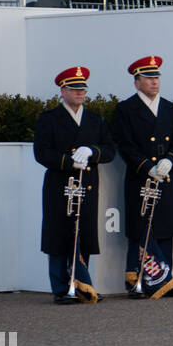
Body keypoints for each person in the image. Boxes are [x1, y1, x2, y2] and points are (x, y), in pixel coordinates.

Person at [33, 66, 115, 304]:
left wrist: (92, 151)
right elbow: (41, 153)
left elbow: (110, 149)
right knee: (58, 235)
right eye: (74, 89)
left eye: (83, 89)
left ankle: (82, 283)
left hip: (87, 184)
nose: (80, 93)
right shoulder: (49, 119)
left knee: (84, 234)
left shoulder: (95, 119)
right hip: (60, 184)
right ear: (63, 91)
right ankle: (60, 287)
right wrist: (69, 162)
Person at [112, 55, 173, 298]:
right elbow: (125, 144)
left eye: (156, 77)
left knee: (165, 228)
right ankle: (137, 282)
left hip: (165, 176)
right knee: (141, 229)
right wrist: (146, 167)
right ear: (137, 82)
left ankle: (164, 280)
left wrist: (170, 160)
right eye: (149, 78)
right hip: (140, 177)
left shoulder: (168, 107)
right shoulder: (126, 109)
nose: (154, 82)